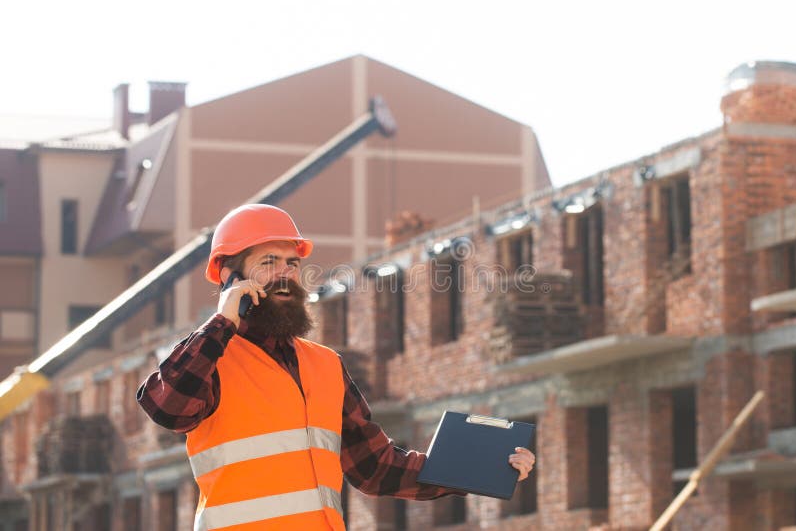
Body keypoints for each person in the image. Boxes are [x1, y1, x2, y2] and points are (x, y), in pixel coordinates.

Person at [137, 204, 535, 531]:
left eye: (292, 264)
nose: (285, 274)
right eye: (269, 262)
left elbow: (376, 467)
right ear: (229, 277)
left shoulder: (324, 365)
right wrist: (223, 322)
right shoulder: (209, 359)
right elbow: (168, 408)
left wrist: (482, 467)